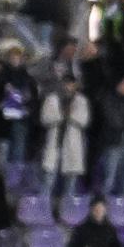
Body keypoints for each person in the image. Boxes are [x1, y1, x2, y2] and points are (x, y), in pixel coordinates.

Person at [39, 74, 89, 202]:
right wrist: (62, 114)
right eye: (66, 83)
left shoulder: (80, 100)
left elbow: (84, 120)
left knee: (71, 181)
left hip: (72, 143)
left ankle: (67, 211)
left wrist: (70, 115)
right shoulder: (52, 98)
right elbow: (45, 118)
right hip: (55, 142)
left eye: (71, 83)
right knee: (48, 178)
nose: (68, 86)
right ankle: (43, 207)